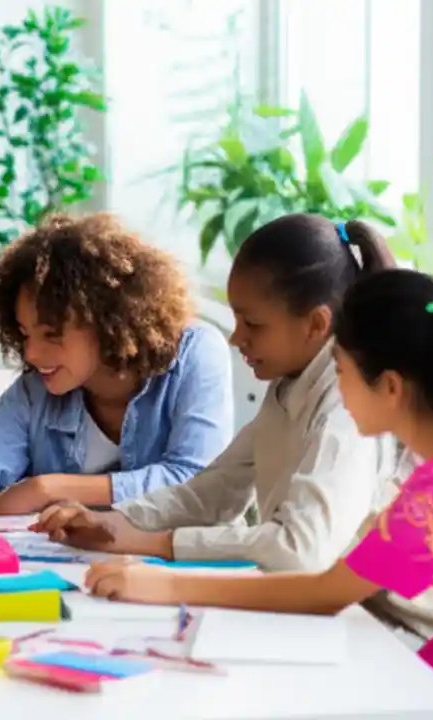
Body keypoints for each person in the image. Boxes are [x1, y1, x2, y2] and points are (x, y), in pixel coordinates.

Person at [82, 269, 433, 720]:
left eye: (340, 374)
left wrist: (163, 585)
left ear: (390, 386)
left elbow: (326, 592)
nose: (336, 393)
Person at [35, 214, 400, 572]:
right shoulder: (290, 385)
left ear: (316, 325)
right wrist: (116, 521)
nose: (236, 338)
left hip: (367, 625)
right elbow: (214, 492)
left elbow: (300, 550)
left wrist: (155, 542)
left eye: (253, 324)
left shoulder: (348, 407)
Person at [0, 213, 234, 518]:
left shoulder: (195, 352)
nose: (32, 354)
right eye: (24, 334)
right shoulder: (36, 390)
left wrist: (49, 488)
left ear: (108, 321)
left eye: (52, 334)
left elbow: (200, 482)